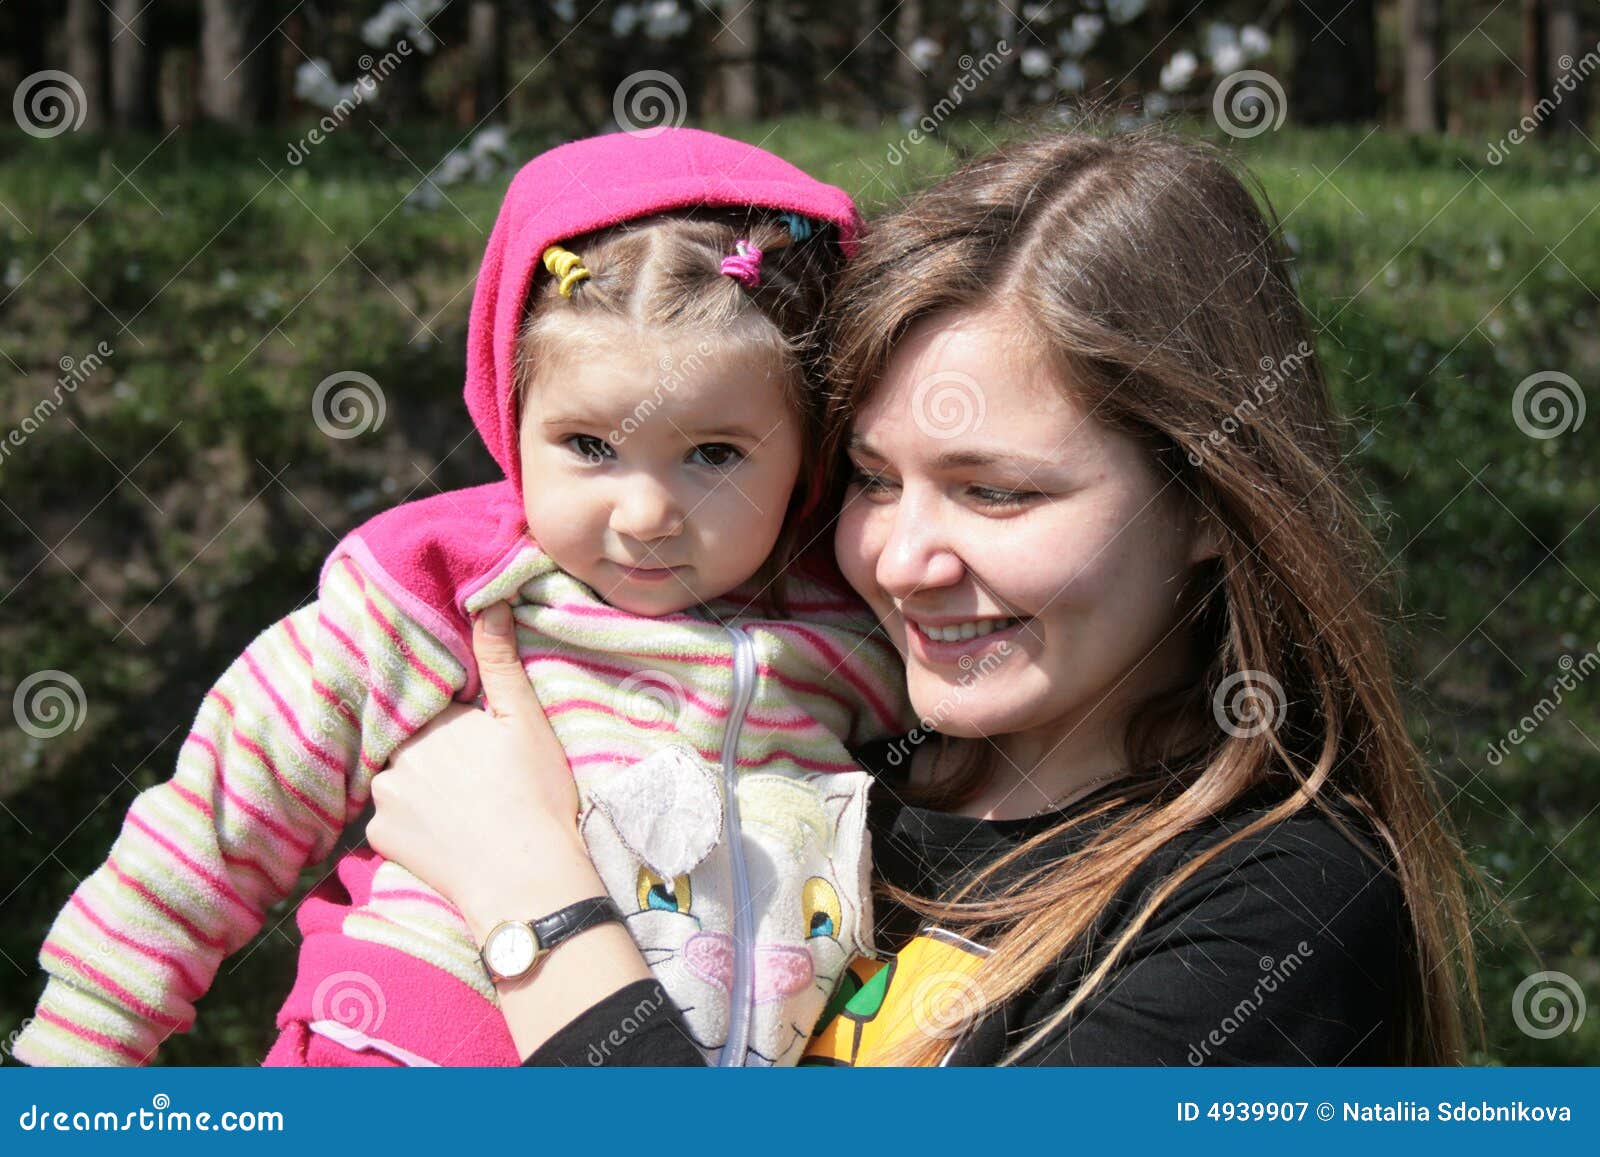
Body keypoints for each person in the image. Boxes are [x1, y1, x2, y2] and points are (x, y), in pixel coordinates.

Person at [365, 126, 1482, 1066]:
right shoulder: (823, 753)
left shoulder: (1277, 912)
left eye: (995, 492)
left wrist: (532, 904)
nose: (902, 560)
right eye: (871, 478)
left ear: (1205, 501)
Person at [13, 129, 912, 1068]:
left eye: (716, 455)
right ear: (510, 416)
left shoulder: (855, 626)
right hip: (408, 1050)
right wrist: (84, 1045)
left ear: (809, 450)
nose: (647, 513)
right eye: (590, 447)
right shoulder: (448, 590)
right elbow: (231, 805)